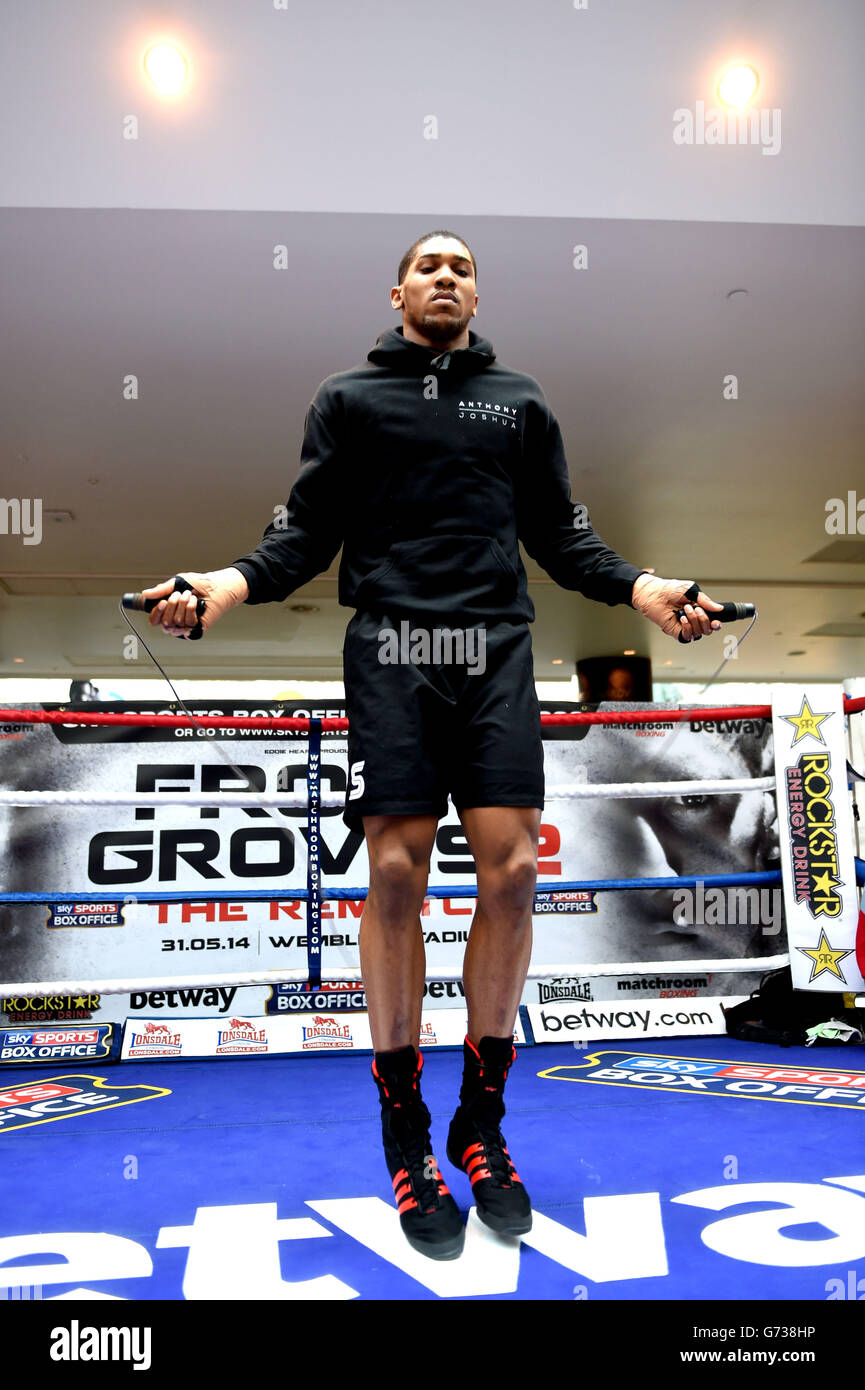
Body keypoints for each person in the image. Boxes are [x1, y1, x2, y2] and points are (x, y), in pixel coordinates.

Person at [142, 229, 724, 1260]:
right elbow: (302, 531)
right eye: (429, 265)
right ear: (399, 289)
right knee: (398, 875)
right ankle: (405, 1133)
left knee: (509, 878)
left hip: (495, 649)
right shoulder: (349, 398)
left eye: (461, 265)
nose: (446, 276)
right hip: (394, 646)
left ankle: (480, 1121)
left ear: (474, 290)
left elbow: (560, 533)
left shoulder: (520, 399)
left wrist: (647, 589)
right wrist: (220, 587)